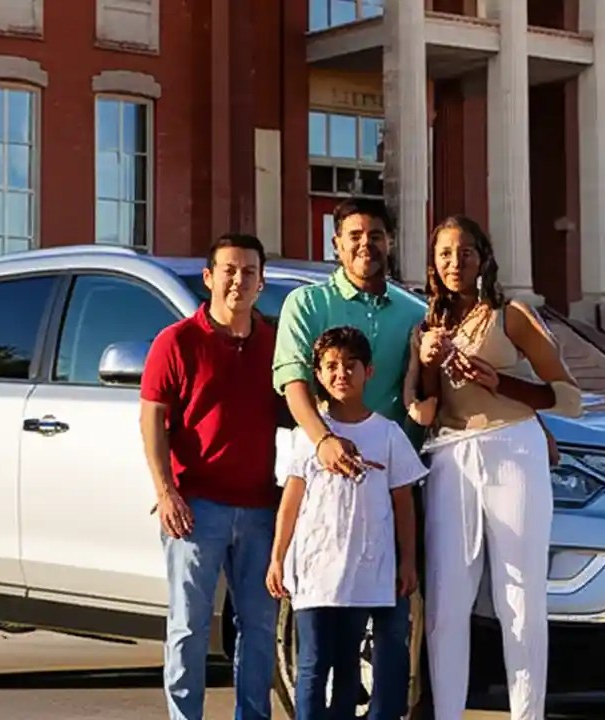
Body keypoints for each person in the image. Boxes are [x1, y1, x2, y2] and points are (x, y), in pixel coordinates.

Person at [407, 215, 583, 720]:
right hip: (450, 456)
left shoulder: (513, 316)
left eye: (465, 252)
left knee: (520, 597)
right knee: (446, 601)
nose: (454, 263)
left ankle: (527, 714)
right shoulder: (429, 325)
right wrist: (425, 362)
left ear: (483, 258)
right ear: (434, 265)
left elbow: (569, 399)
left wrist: (497, 380)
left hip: (513, 450)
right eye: (444, 254)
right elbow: (424, 409)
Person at [272, 197, 424, 719]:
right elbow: (292, 383)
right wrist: (323, 441)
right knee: (322, 652)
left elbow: (430, 391)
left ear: (390, 243)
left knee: (392, 631)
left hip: (391, 484)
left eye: (376, 234)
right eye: (354, 235)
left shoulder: (414, 314)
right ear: (335, 244)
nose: (366, 244)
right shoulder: (306, 304)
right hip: (324, 494)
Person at [140, 233, 281, 720]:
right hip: (197, 508)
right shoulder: (176, 342)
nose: (238, 279)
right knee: (189, 625)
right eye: (229, 269)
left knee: (260, 627)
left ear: (261, 282)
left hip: (262, 508)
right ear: (209, 277)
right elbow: (151, 420)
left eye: (248, 271)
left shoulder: (274, 343)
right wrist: (166, 491)